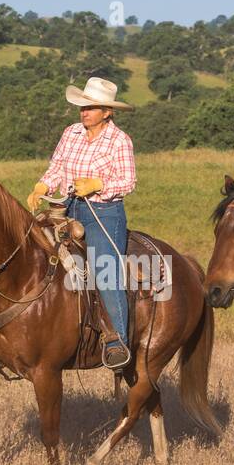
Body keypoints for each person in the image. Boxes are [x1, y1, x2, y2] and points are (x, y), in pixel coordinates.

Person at [26, 77, 136, 370]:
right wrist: (42, 186)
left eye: (91, 108)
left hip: (103, 212)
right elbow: (58, 167)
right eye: (82, 107)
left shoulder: (119, 140)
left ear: (107, 112)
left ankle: (117, 342)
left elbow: (128, 181)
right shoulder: (71, 133)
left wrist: (98, 183)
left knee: (104, 270)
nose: (83, 112)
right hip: (68, 206)